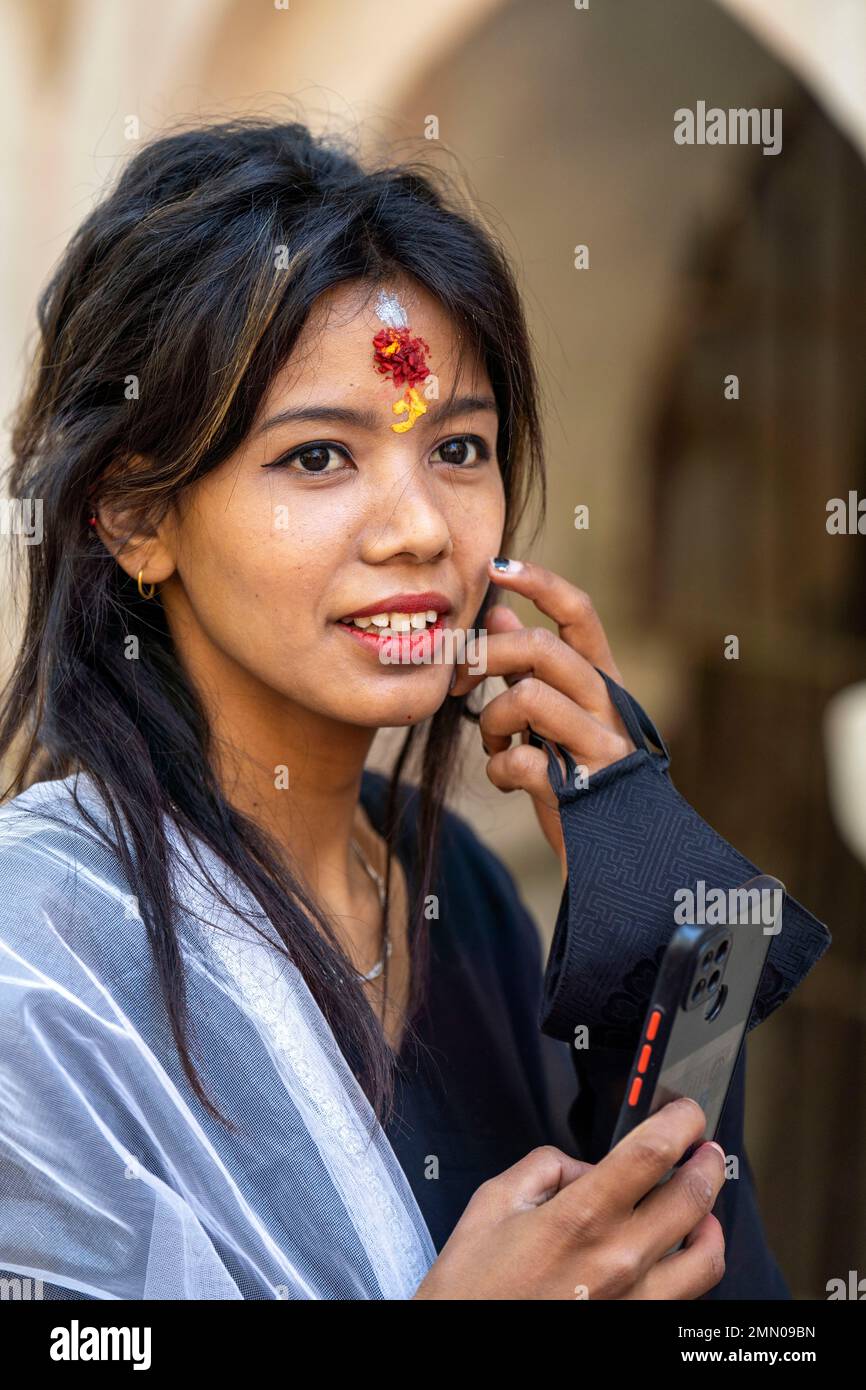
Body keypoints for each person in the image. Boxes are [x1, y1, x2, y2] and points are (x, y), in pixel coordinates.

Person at [0, 117, 829, 1300]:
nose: (421, 529)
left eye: (458, 446)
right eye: (318, 459)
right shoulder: (42, 964)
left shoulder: (457, 899)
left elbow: (703, 1287)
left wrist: (661, 912)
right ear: (135, 517)